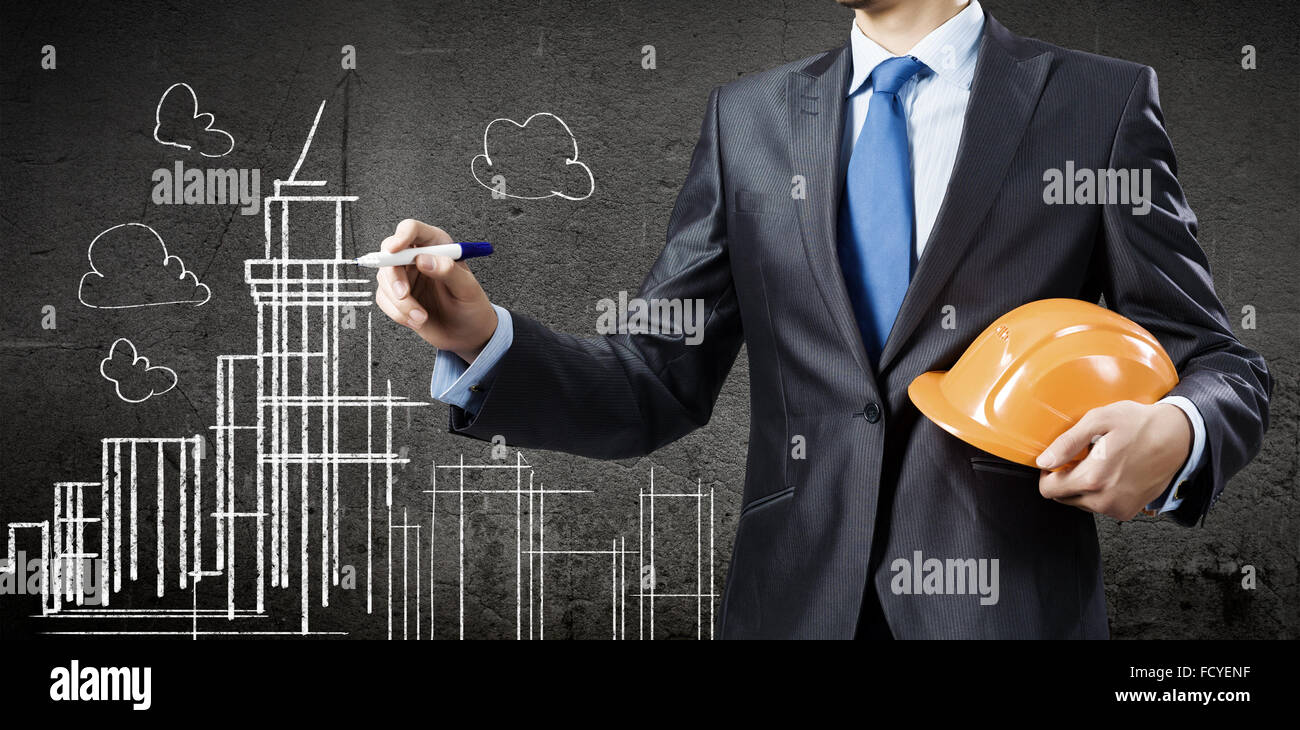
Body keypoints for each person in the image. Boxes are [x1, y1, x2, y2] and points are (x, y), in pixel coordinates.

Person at [372, 0, 1271, 638]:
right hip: (790, 605)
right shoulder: (749, 120)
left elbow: (1218, 361)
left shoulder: (1097, 104)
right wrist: (478, 338)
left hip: (1010, 612)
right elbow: (657, 378)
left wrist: (1179, 430)